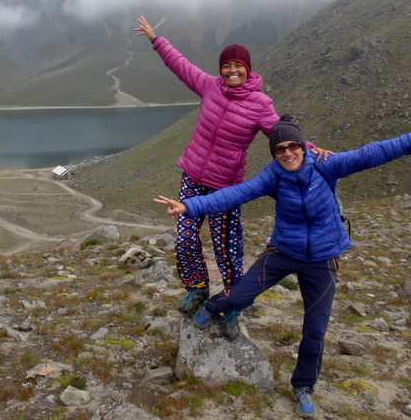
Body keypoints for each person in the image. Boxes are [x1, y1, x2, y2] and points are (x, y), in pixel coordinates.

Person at [154, 107, 411, 419]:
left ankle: (303, 387)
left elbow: (371, 154)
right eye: (279, 149)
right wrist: (190, 206)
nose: (287, 153)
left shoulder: (325, 165)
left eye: (293, 146)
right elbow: (235, 194)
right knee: (240, 296)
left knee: (315, 330)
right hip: (284, 250)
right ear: (274, 153)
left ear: (303, 145)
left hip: (322, 259)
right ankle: (212, 307)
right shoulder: (273, 175)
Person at [134, 16, 330, 322]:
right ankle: (196, 287)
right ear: (221, 69)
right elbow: (181, 65)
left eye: (238, 66)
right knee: (185, 238)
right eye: (227, 66)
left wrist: (313, 150)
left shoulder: (260, 104)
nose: (232, 71)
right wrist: (156, 40)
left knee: (227, 247)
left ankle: (232, 300)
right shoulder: (210, 86)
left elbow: (282, 135)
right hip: (193, 177)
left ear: (248, 70)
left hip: (227, 186)